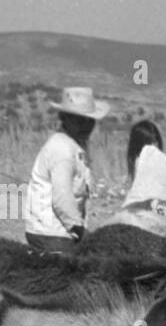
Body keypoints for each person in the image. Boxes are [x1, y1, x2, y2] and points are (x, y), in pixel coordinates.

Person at [24, 86, 109, 252]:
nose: (86, 126)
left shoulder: (75, 145)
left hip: (61, 229)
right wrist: (80, 231)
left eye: (89, 120)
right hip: (52, 233)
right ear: (65, 119)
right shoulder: (62, 149)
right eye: (79, 120)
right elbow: (62, 199)